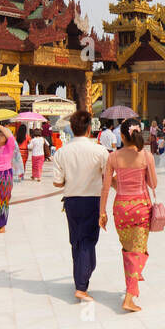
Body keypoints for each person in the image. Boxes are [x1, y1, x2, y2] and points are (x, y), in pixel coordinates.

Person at [100, 118, 158, 313]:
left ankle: (132, 285)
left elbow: (106, 188)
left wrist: (102, 212)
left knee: (128, 250)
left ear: (122, 136)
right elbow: (153, 184)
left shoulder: (113, 158)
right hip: (141, 207)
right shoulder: (146, 156)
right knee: (137, 251)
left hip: (121, 209)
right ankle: (129, 297)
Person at [52, 110, 109, 302]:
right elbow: (107, 177)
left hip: (72, 201)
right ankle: (81, 285)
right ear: (88, 129)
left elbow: (57, 183)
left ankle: (80, 278)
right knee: (88, 241)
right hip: (92, 200)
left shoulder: (61, 152)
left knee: (76, 240)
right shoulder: (100, 151)